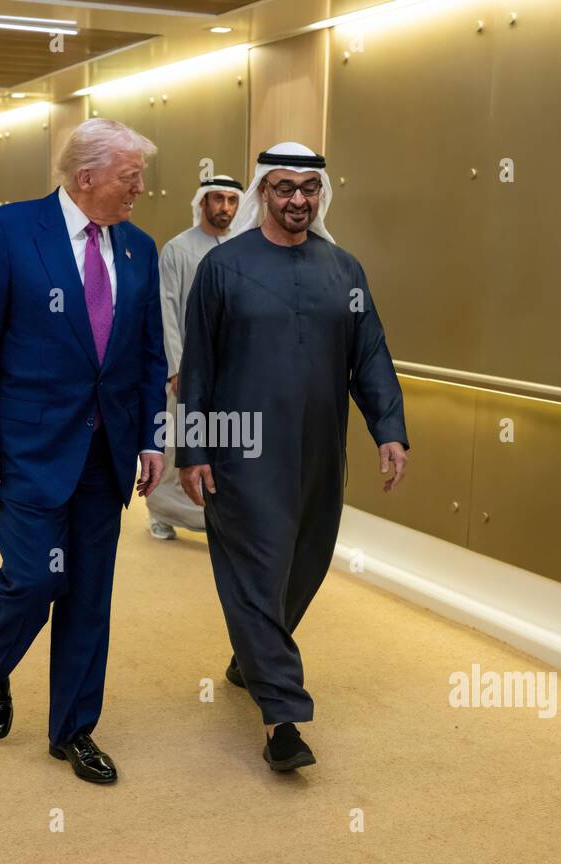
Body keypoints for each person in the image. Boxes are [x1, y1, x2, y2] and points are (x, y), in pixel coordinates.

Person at [177, 143, 409, 772]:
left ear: (321, 194)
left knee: (304, 562)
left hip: (318, 452)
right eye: (284, 188)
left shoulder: (345, 271)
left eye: (309, 189)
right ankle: (284, 719)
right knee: (259, 566)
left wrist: (389, 428)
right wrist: (192, 448)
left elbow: (371, 355)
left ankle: (250, 656)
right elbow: (197, 367)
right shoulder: (223, 268)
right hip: (239, 449)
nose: (297, 200)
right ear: (263, 193)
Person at [0, 118, 167, 785]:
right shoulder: (10, 232)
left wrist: (153, 436)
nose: (140, 190)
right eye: (131, 178)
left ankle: (73, 729)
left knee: (89, 595)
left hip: (108, 452)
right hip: (28, 447)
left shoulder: (138, 249)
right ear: (86, 176)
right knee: (38, 579)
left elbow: (150, 351)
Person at [146, 174, 244, 540]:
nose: (225, 208)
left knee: (227, 441)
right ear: (202, 203)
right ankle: (162, 512)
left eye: (232, 201)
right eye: (217, 199)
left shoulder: (244, 247)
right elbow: (166, 311)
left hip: (231, 371)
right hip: (188, 369)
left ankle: (216, 518)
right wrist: (175, 368)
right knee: (177, 445)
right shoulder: (178, 250)